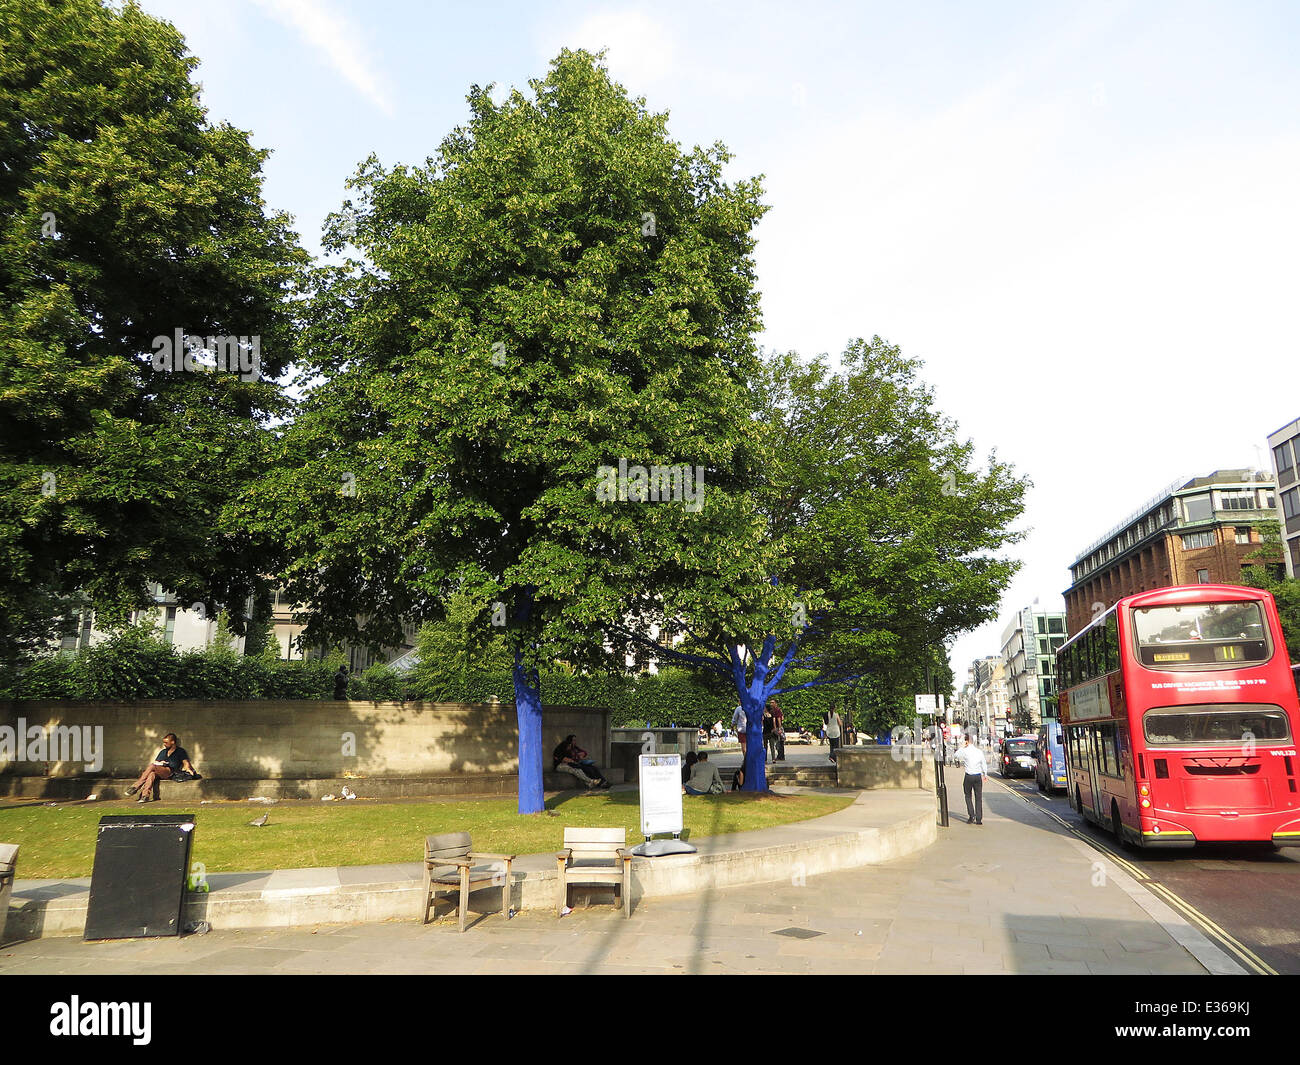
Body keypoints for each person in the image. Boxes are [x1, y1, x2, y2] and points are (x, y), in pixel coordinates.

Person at [127, 733, 200, 803]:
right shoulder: (163, 752)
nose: (164, 744)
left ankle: (135, 786)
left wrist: (189, 770)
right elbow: (156, 762)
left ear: (172, 742)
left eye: (166, 742)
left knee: (152, 766)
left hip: (170, 772)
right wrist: (161, 762)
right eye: (163, 742)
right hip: (160, 771)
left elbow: (186, 763)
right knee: (151, 774)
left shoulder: (180, 751)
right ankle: (145, 796)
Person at [958, 733, 987, 825]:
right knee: (978, 797)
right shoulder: (979, 751)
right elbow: (983, 763)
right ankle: (979, 819)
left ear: (966, 741)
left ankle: (971, 815)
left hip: (969, 776)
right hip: (978, 776)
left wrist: (962, 747)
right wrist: (985, 774)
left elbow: (956, 755)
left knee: (968, 796)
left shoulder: (965, 751)